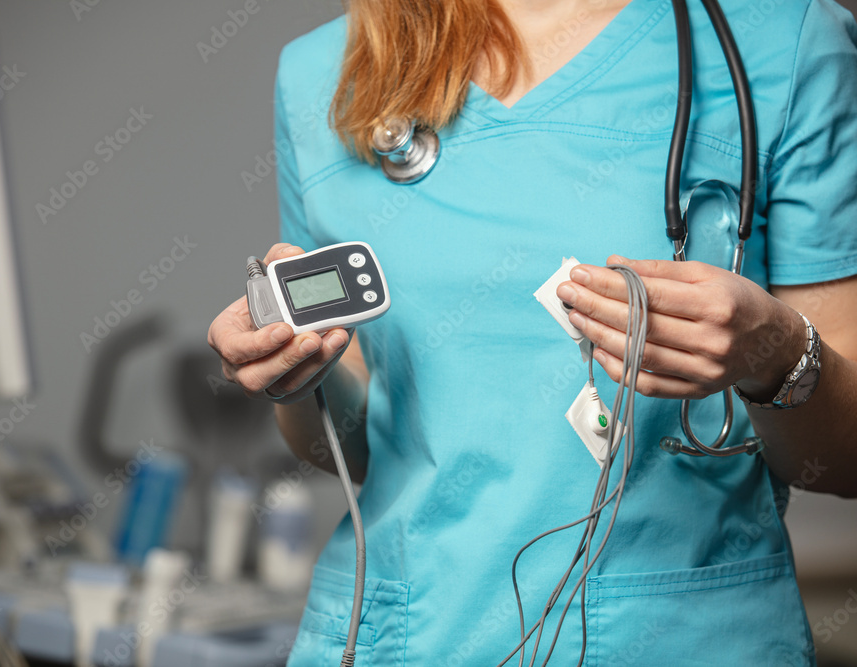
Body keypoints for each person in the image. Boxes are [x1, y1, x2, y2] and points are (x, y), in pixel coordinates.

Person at [207, 0, 857, 663]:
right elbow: (356, 447)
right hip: (407, 637)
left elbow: (845, 459)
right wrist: (295, 375)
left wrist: (773, 350)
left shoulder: (786, 40)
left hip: (676, 636)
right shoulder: (326, 69)